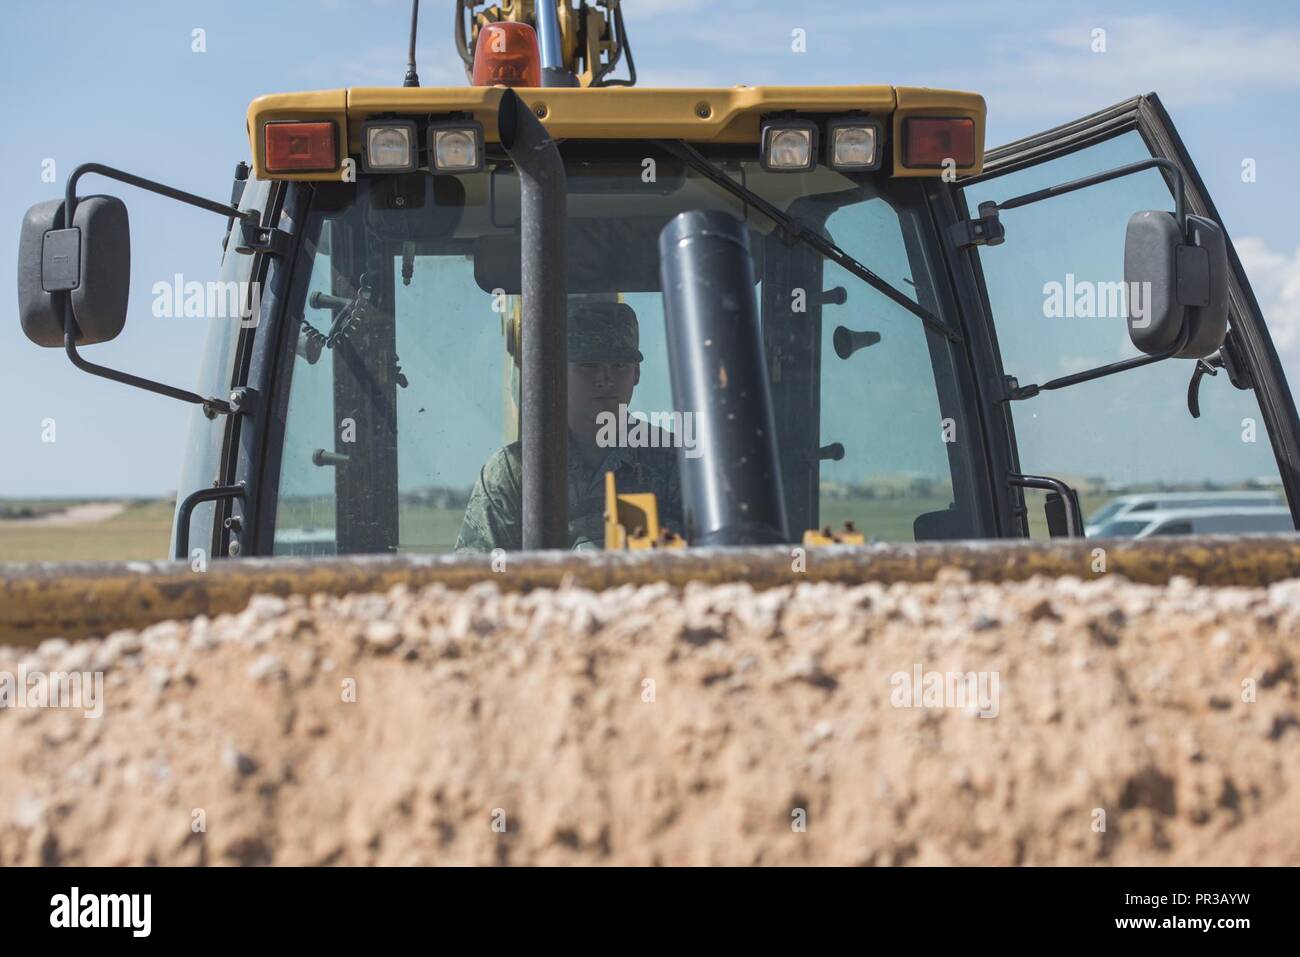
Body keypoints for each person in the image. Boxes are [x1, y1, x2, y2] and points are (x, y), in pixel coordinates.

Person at [455, 300, 683, 552]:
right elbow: (481, 575)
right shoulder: (514, 471)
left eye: (619, 365)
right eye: (588, 365)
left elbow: (711, 562)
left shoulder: (673, 462)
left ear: (636, 373)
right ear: (557, 372)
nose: (605, 379)